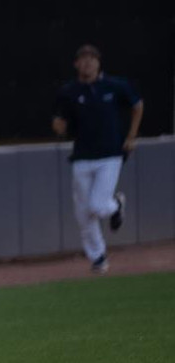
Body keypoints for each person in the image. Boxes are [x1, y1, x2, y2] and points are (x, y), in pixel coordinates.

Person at [52, 44, 142, 274]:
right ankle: (98, 257)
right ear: (76, 64)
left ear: (99, 63)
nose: (87, 63)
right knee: (83, 213)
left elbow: (137, 105)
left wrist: (131, 136)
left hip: (110, 154)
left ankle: (116, 205)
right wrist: (58, 126)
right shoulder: (69, 91)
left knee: (97, 205)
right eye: (83, 59)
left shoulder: (114, 85)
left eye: (92, 59)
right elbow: (61, 122)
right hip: (82, 156)